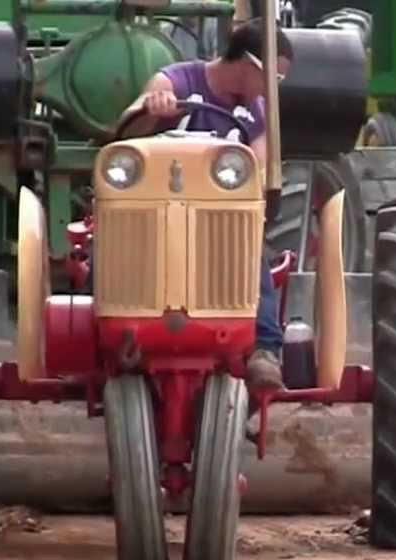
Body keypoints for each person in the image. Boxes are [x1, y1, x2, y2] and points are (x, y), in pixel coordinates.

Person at [117, 18, 294, 393]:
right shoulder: (175, 81)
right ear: (248, 64)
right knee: (112, 245)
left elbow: (258, 166)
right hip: (158, 215)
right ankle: (112, 331)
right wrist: (153, 110)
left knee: (249, 245)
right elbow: (124, 131)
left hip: (219, 227)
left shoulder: (257, 111)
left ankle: (264, 347)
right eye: (274, 80)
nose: (273, 92)